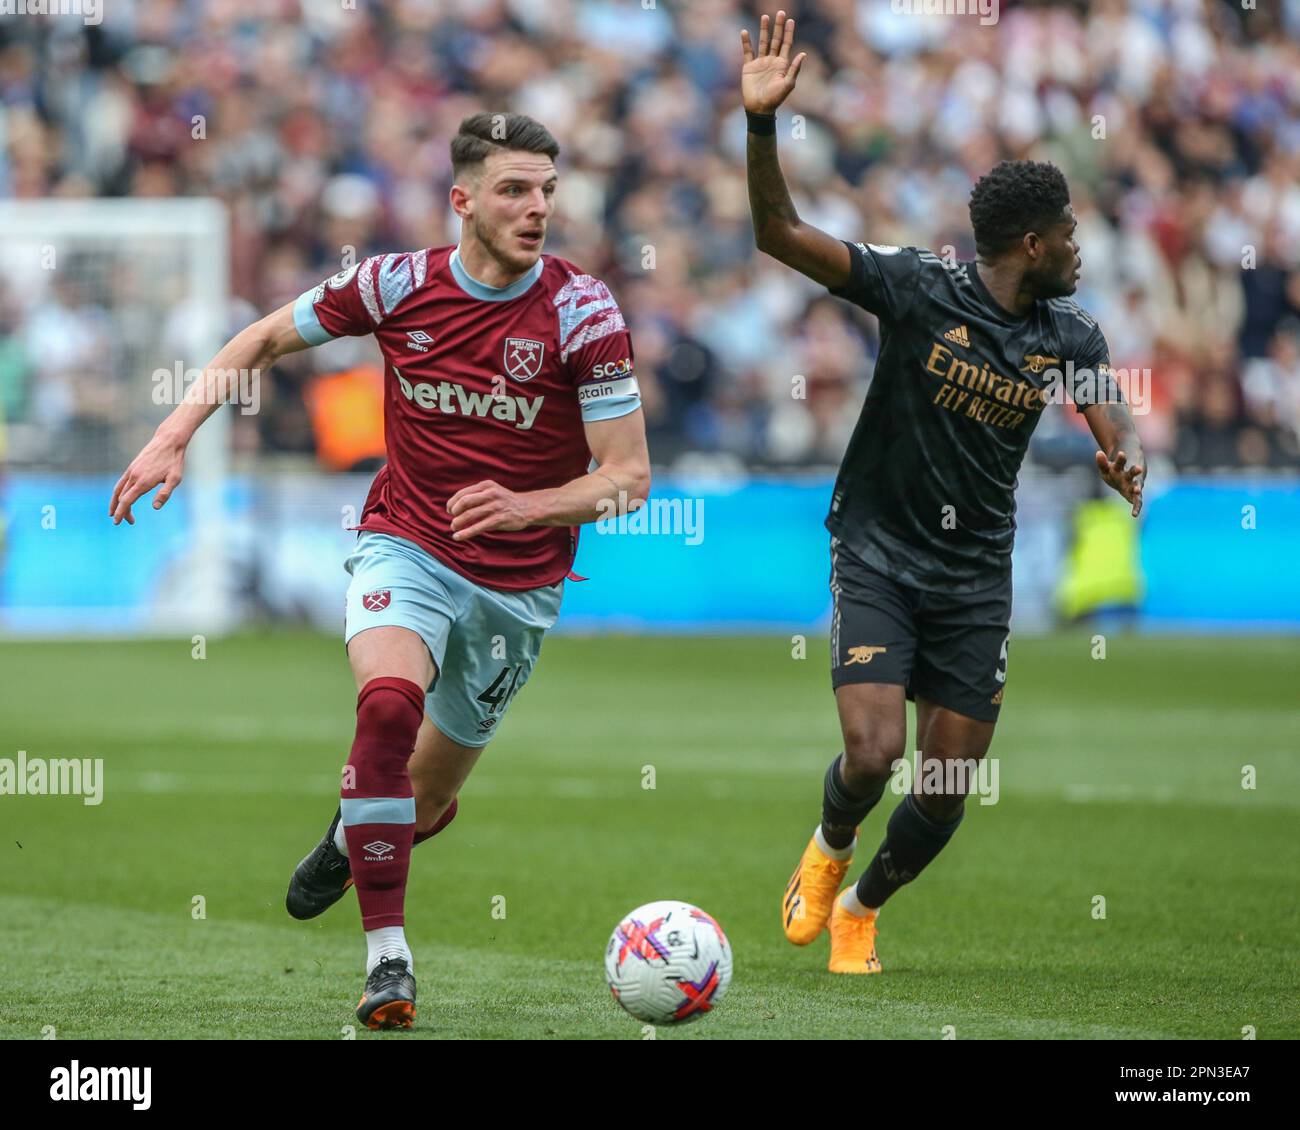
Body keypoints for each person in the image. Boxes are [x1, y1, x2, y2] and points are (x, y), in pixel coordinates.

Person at [110, 112, 651, 1027]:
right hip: (408, 542)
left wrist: (527, 505)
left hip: (520, 585)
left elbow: (629, 478)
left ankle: (346, 831)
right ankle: (388, 961)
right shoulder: (395, 283)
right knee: (388, 708)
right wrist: (171, 434)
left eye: (548, 191)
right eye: (515, 190)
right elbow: (263, 339)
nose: (537, 209)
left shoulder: (582, 311)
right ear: (463, 200)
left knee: (426, 800)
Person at [741, 12, 1145, 974]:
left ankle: (865, 909)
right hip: (879, 548)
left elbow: (1109, 413)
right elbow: (777, 233)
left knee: (950, 784)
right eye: (1070, 234)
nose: (1081, 248)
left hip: (974, 573)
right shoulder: (917, 289)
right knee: (874, 754)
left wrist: (1125, 453)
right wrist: (761, 128)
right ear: (1033, 242)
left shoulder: (1069, 333)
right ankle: (831, 852)